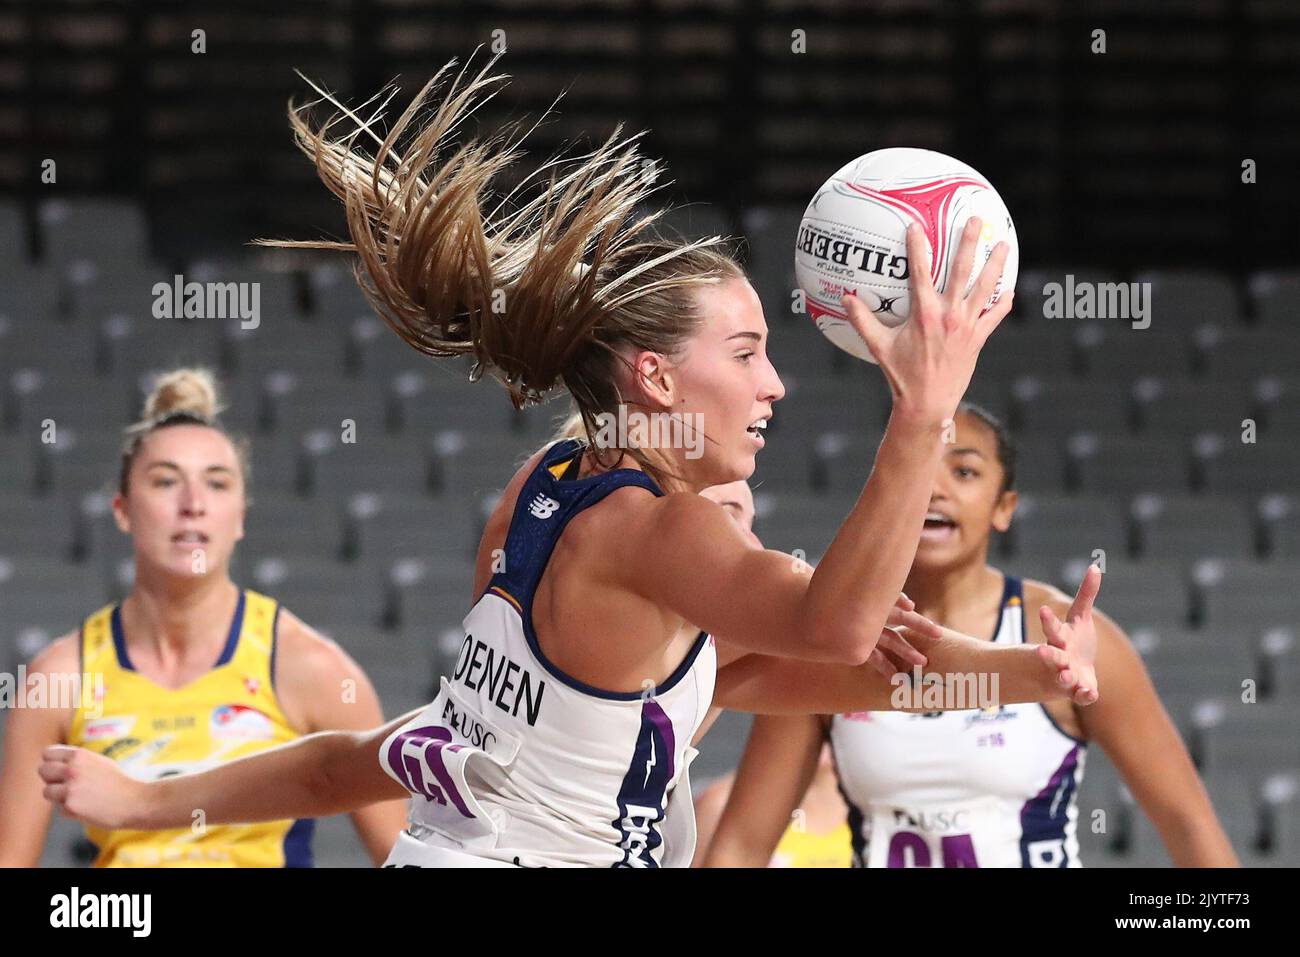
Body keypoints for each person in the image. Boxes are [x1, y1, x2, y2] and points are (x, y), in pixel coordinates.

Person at [37, 53, 1103, 869]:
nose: (776, 384)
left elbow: (808, 667)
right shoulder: (656, 530)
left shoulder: (549, 492)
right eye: (747, 353)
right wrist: (921, 411)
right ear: (655, 379)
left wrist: (1029, 672)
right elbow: (834, 629)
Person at [703, 403, 1239, 867]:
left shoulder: (1071, 637)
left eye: (964, 471)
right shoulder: (829, 641)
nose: (936, 489)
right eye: (921, 470)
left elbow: (1187, 822)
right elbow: (742, 844)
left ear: (1004, 508)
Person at [0, 369, 407, 867]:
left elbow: (405, 857)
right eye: (166, 481)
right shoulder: (58, 678)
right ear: (122, 509)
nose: (192, 505)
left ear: (241, 517)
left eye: (216, 484)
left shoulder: (313, 669)